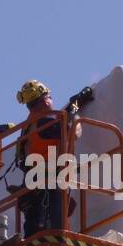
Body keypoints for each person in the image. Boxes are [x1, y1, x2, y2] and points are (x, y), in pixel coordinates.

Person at [15, 80, 80, 236]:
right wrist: (76, 114)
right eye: (49, 97)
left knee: (34, 228)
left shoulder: (29, 125)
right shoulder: (44, 123)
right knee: (56, 230)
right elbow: (74, 134)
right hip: (48, 182)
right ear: (45, 101)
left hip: (33, 184)